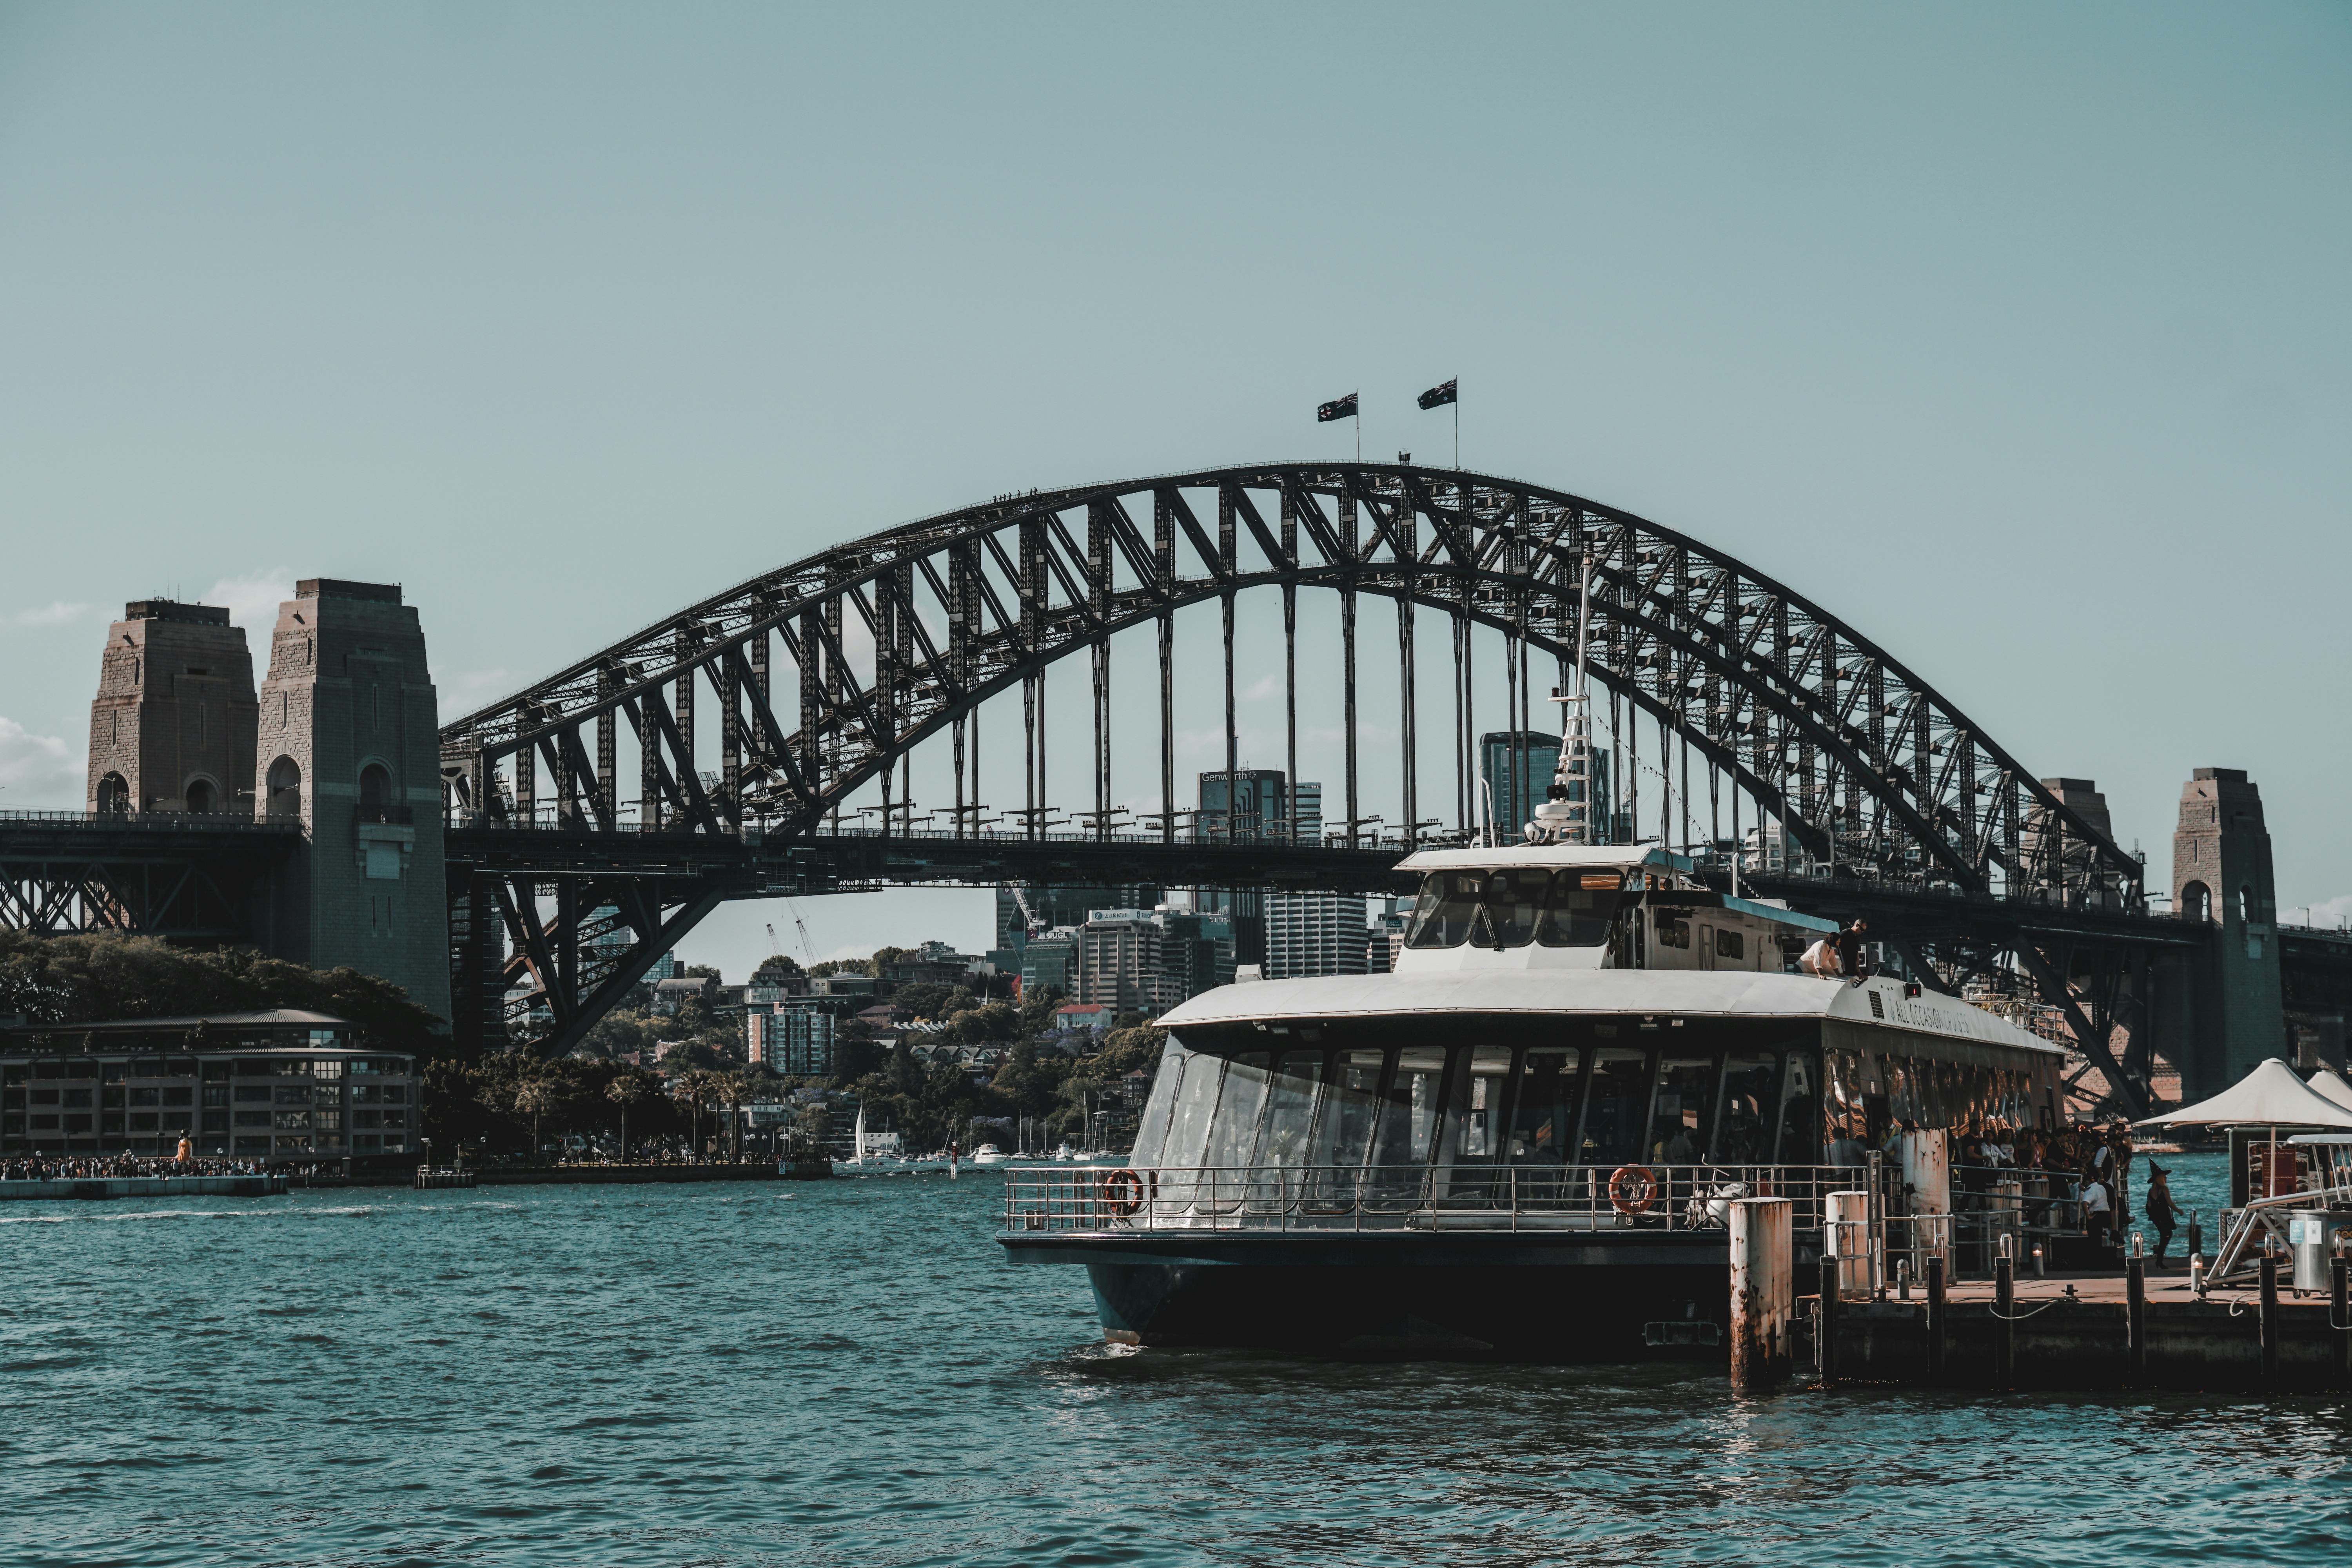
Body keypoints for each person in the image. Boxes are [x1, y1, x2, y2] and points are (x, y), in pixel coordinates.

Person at [2143, 1164, 2178, 1264]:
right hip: (2164, 1216)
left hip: (2156, 1218)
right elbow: (2170, 1203)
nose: (2166, 1179)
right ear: (2160, 1179)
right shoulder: (2164, 1189)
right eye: (2164, 1177)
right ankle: (2160, 1257)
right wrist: (2179, 1211)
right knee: (2167, 1234)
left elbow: (2149, 1206)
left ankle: (2159, 1258)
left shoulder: (2151, 1191)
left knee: (2165, 1235)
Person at [1835, 919, 1869, 986]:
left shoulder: (1857, 939)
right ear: (1857, 925)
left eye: (1863, 931)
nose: (1862, 932)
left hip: (1851, 972)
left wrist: (1859, 972)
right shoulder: (1843, 934)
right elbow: (1835, 950)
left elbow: (1857, 956)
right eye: (1862, 929)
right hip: (1843, 970)